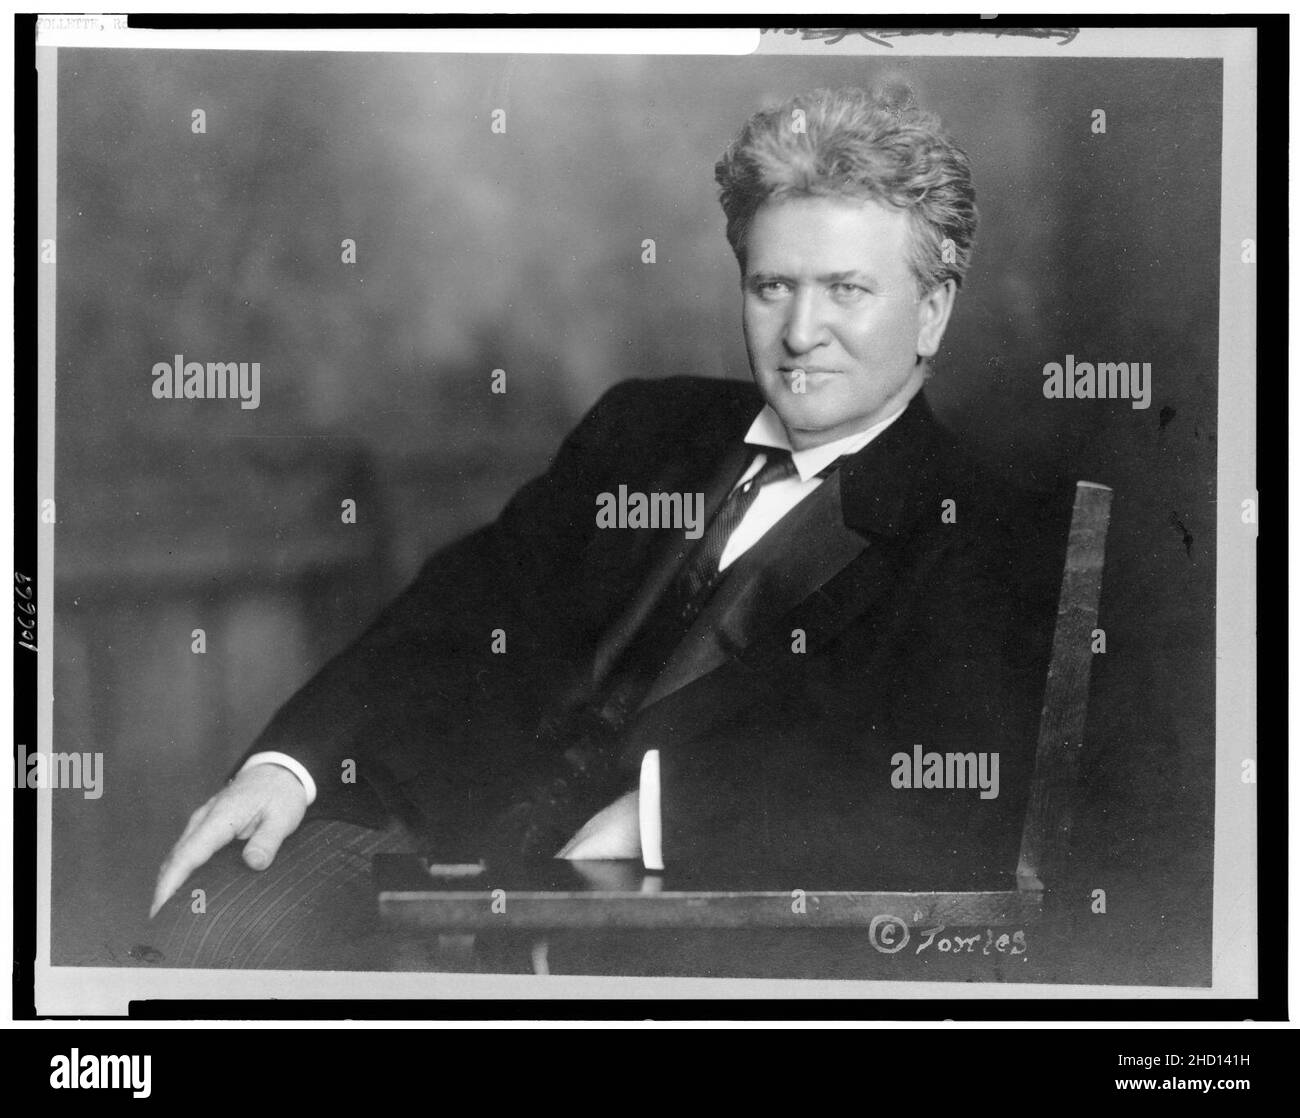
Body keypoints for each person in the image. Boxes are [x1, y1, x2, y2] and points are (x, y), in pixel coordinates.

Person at [144, 85, 1065, 969]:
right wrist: (290, 764)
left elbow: (938, 792)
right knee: (210, 929)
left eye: (848, 290)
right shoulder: (643, 429)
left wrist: (662, 820)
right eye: (773, 285)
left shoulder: (984, 530)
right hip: (438, 845)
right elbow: (462, 604)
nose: (800, 331)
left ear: (933, 310)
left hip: (683, 921)